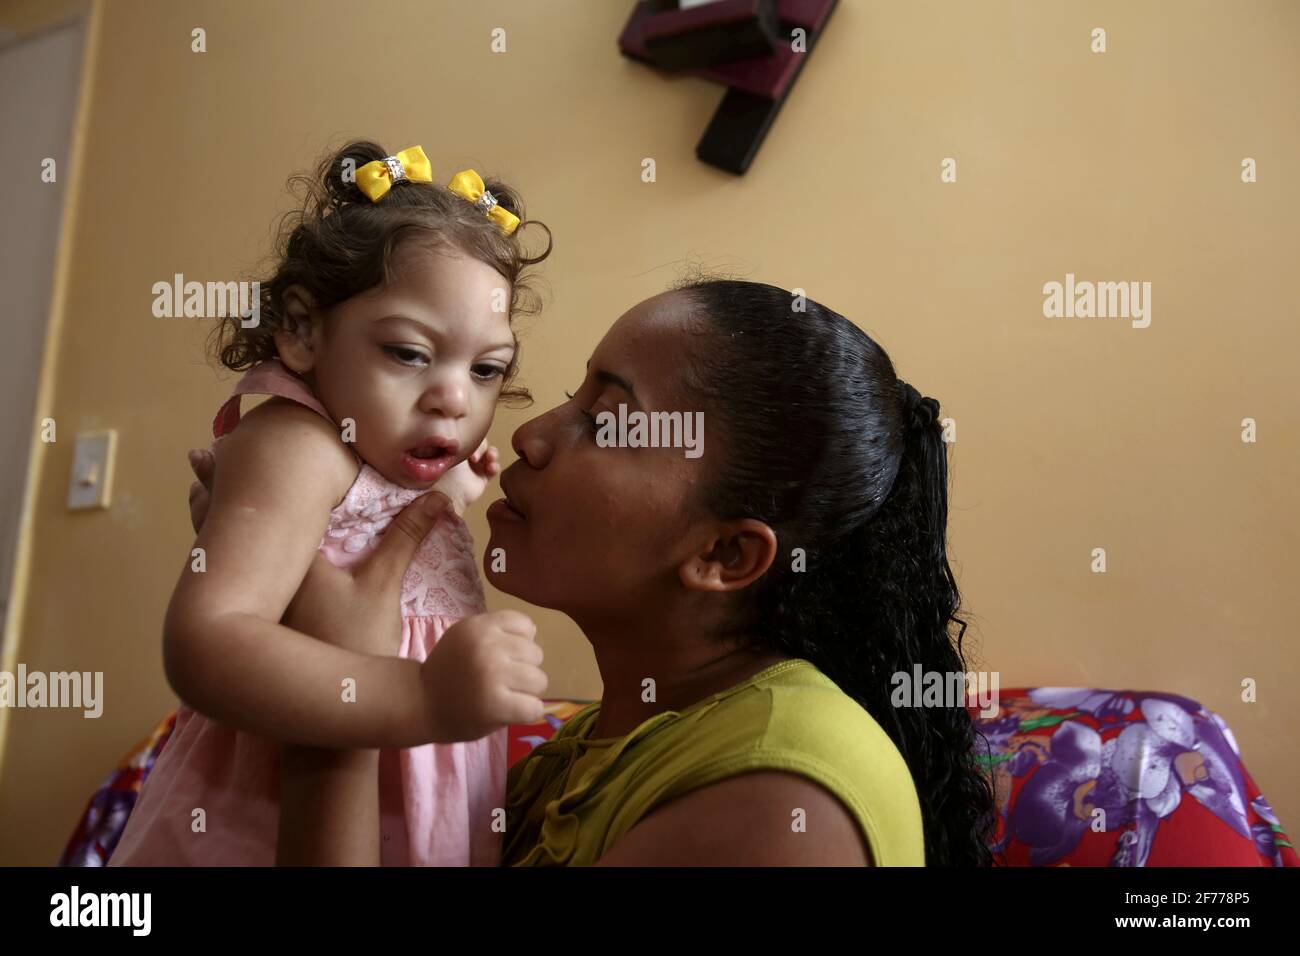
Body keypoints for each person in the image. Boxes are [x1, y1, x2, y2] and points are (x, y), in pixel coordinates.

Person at [189, 279, 998, 866]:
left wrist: (340, 710)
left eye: (604, 421)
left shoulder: (782, 794)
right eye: (569, 395)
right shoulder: (584, 751)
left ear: (723, 555)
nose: (532, 435)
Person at [112, 140, 552, 866]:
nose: (453, 398)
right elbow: (207, 640)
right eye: (409, 353)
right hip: (272, 822)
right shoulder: (295, 443)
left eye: (486, 370)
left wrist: (450, 493)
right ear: (303, 331)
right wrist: (423, 702)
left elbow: (367, 535)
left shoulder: (371, 457)